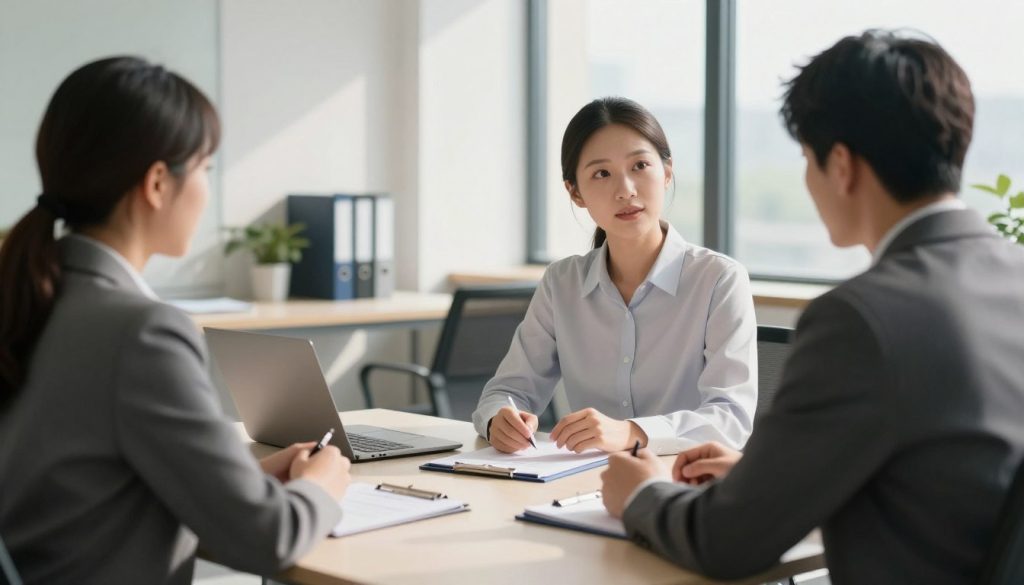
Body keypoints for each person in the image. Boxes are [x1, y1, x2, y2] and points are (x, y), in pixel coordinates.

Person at [599, 30, 1024, 585]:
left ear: (841, 165)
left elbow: (725, 543)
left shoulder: (860, 320)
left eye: (806, 157)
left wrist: (642, 493)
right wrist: (765, 481)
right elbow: (953, 490)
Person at [0, 57, 350, 584]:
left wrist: (236, 484)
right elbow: (269, 539)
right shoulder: (141, 332)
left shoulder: (32, 297)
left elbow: (82, 492)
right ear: (158, 183)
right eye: (206, 169)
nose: (208, 189)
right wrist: (323, 483)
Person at [472, 97, 757, 455]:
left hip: (685, 484)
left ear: (667, 173)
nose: (625, 190)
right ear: (575, 192)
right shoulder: (562, 283)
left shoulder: (719, 279)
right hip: (583, 484)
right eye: (601, 174)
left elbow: (731, 418)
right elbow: (508, 389)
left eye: (640, 165)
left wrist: (631, 433)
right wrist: (500, 419)